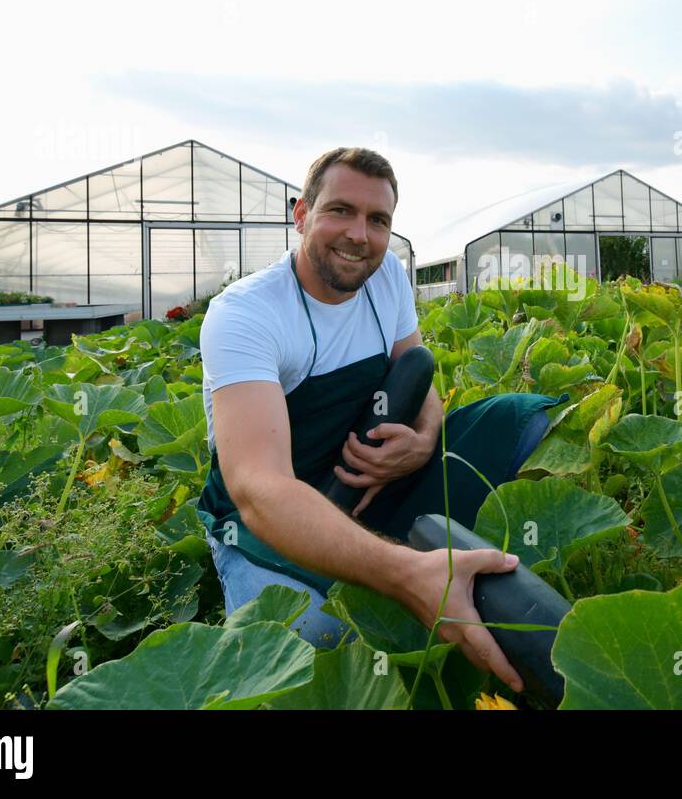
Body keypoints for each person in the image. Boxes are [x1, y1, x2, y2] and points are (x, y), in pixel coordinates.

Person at [196, 147, 563, 693]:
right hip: (269, 519)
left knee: (518, 419)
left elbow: (421, 382)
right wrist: (407, 576)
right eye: (340, 211)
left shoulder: (386, 275)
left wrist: (420, 441)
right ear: (302, 214)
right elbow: (260, 488)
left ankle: (414, 542)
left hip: (380, 476)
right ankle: (404, 557)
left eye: (378, 220)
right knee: (312, 636)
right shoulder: (246, 312)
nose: (359, 235)